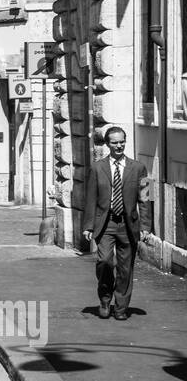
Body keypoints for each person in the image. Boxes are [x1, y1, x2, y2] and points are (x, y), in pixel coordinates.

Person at [81, 126, 150, 321]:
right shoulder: (97, 168)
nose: (119, 146)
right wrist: (88, 226)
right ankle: (105, 298)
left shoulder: (139, 168)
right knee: (104, 262)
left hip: (129, 225)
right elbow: (90, 199)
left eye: (122, 142)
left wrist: (145, 227)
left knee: (125, 268)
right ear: (108, 144)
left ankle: (121, 307)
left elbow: (145, 199)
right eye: (114, 142)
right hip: (106, 222)